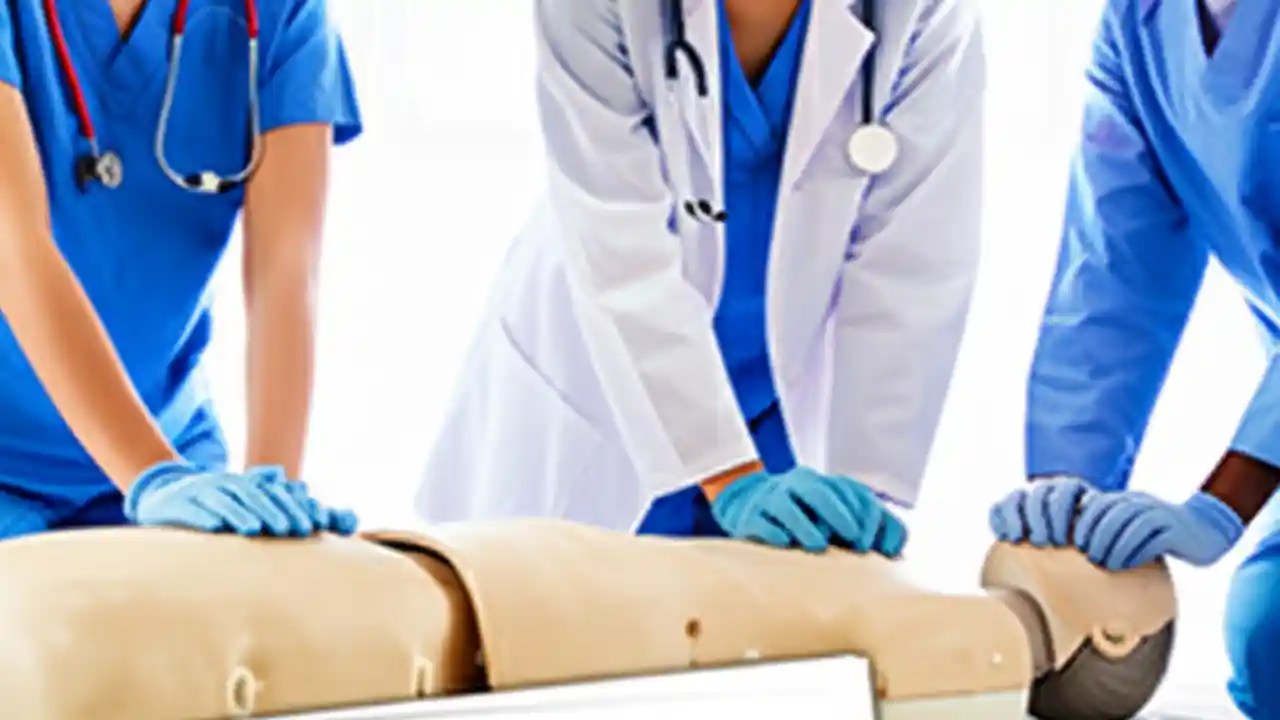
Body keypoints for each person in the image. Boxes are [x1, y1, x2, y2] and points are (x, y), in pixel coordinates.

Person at [417, 0, 985, 556]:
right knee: (562, 625)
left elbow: (914, 258)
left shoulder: (923, 12)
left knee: (774, 626)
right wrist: (728, 474)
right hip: (607, 384)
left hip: (778, 415)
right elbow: (617, 244)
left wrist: (861, 483)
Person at [987, 0, 1280, 715]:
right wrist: (1067, 508)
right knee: (1269, 645)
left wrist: (1224, 501)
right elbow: (1111, 275)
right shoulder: (1138, 26)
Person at [0, 0, 362, 541]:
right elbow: (13, 245)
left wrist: (272, 491)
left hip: (172, 451)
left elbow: (286, 271)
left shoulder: (284, 16)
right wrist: (151, 475)